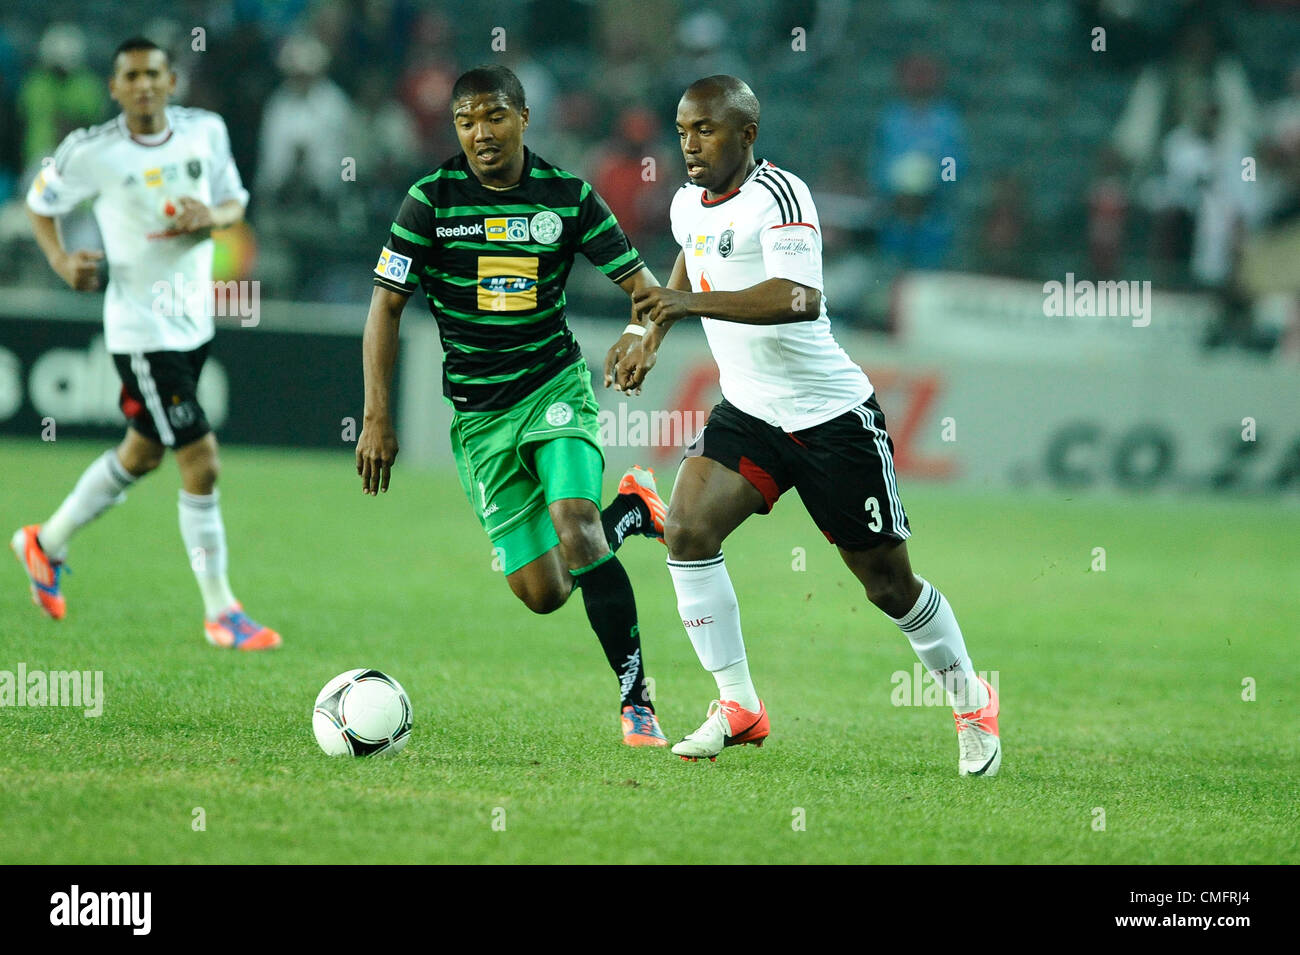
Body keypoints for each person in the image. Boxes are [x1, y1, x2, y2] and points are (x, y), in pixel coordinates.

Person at [618, 75, 1001, 775]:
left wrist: (679, 303)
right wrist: (646, 332)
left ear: (747, 134)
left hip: (831, 420)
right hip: (750, 413)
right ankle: (738, 703)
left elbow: (798, 297)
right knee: (687, 528)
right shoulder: (685, 204)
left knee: (888, 585)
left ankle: (973, 699)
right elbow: (690, 254)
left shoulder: (782, 196)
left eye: (706, 130)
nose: (691, 144)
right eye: (682, 131)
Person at [356, 65, 670, 746]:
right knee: (546, 592)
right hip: (480, 419)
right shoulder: (429, 201)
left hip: (554, 387)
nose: (480, 132)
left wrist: (639, 332)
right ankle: (634, 510)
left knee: (574, 521)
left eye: (493, 116)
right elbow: (385, 305)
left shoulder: (568, 197)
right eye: (465, 120)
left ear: (524, 117)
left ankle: (636, 699)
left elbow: (647, 290)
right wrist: (377, 415)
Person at [13, 38, 279, 650]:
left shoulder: (205, 132)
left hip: (193, 324)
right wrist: (59, 261)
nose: (144, 85)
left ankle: (44, 542)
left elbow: (236, 200)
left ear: (172, 80)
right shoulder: (93, 151)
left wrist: (208, 218)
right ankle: (222, 612)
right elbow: (38, 201)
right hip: (142, 332)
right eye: (131, 76)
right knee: (201, 460)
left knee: (143, 453)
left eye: (154, 73)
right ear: (114, 87)